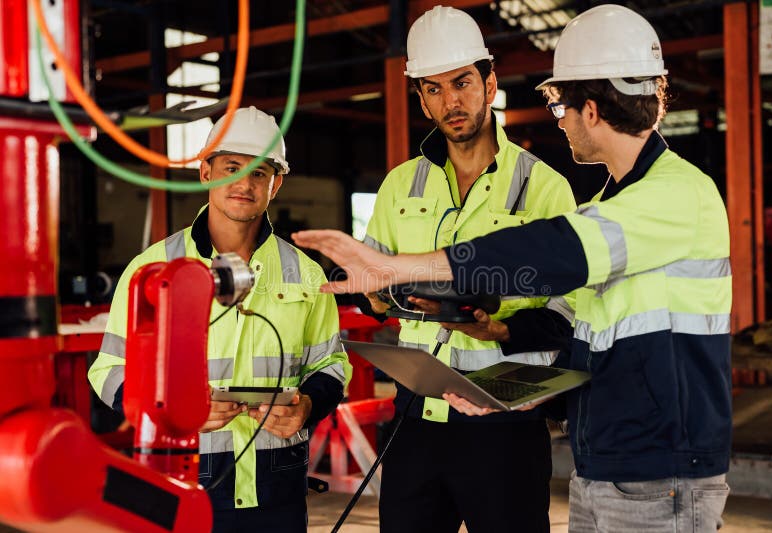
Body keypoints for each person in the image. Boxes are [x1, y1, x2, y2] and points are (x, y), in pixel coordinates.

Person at [294, 5, 732, 532]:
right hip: (601, 457)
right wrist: (523, 392)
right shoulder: (615, 200)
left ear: (590, 109)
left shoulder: (672, 196)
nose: (560, 119)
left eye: (560, 107)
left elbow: (552, 253)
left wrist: (395, 268)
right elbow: (591, 344)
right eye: (432, 88)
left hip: (655, 466)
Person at [359, 6, 576, 533]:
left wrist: (495, 323)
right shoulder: (399, 186)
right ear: (421, 98)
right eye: (433, 89)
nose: (450, 101)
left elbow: (568, 313)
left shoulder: (543, 187)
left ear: (490, 81)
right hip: (417, 420)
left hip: (505, 422)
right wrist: (391, 291)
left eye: (461, 83)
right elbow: (372, 286)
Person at [89, 106, 351, 533]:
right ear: (205, 171)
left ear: (276, 183)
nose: (244, 184)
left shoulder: (305, 273)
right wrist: (177, 412)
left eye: (259, 173)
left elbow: (332, 366)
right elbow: (109, 371)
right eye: (232, 167)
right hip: (183, 477)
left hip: (277, 485)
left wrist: (306, 405)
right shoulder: (152, 269)